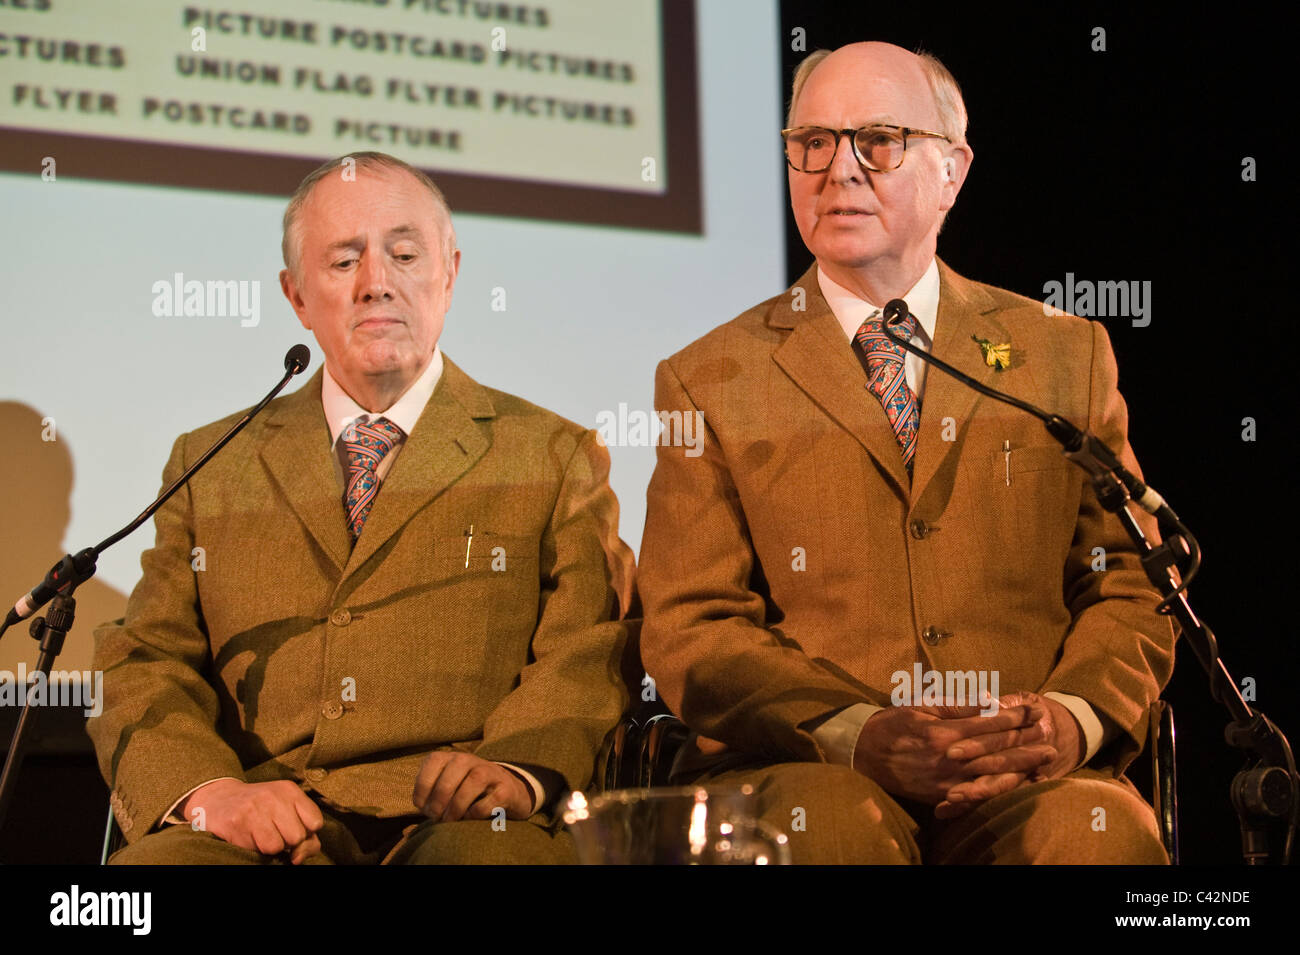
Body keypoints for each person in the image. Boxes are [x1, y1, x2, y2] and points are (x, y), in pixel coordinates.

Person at [637, 42, 1175, 864]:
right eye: (812, 142)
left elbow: (1132, 576)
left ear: (952, 171)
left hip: (1027, 772)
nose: (839, 171)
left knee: (1096, 836)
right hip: (817, 768)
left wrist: (1070, 719)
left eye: (878, 140)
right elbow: (693, 626)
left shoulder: (1063, 353)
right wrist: (860, 732)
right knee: (829, 831)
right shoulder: (710, 376)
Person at [88, 152, 636, 864]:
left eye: (405, 254)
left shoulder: (552, 453)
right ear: (297, 297)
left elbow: (588, 646)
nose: (378, 282)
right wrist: (210, 790)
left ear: (450, 274)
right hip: (263, 820)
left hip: (464, 823)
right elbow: (144, 659)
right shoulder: (212, 460)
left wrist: (518, 770)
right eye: (344, 262)